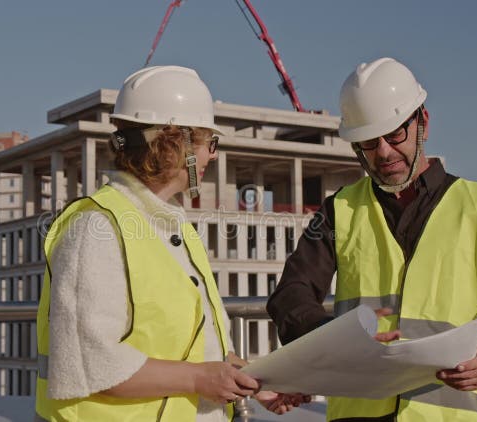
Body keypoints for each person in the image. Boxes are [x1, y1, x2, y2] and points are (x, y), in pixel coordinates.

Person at [266, 57, 477, 421]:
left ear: (422, 122)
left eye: (395, 134)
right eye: (368, 141)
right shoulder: (339, 210)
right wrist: (331, 340)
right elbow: (291, 294)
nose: (383, 152)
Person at [35, 65, 304, 422]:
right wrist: (198, 378)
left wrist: (255, 380)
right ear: (174, 142)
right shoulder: (96, 228)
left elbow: (201, 347)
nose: (213, 155)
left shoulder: (174, 227)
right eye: (210, 142)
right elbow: (90, 361)